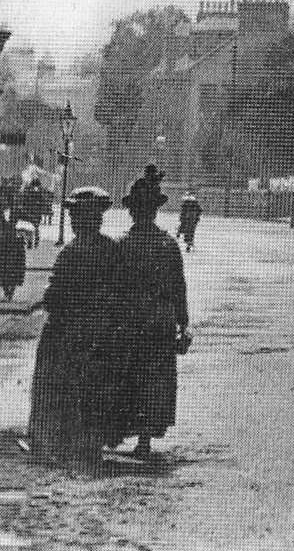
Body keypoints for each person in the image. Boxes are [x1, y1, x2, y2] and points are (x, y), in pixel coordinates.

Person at [27, 188, 127, 467]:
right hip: (103, 332)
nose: (72, 220)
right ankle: (91, 439)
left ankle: (55, 439)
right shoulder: (112, 250)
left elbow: (55, 295)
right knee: (97, 386)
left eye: (75, 215)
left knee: (58, 381)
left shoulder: (71, 252)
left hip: (69, 330)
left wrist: (48, 300)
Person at [117, 165, 190, 460]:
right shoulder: (167, 244)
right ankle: (145, 437)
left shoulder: (123, 245)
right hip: (160, 320)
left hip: (133, 321)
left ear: (133, 212)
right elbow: (179, 289)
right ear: (154, 212)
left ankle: (133, 433)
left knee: (131, 375)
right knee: (154, 378)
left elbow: (114, 290)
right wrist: (184, 325)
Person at [0, 201, 27, 301]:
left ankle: (10, 293)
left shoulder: (18, 211)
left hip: (15, 244)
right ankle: (6, 292)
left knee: (14, 267)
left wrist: (22, 232)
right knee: (3, 268)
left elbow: (26, 224)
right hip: (1, 245)